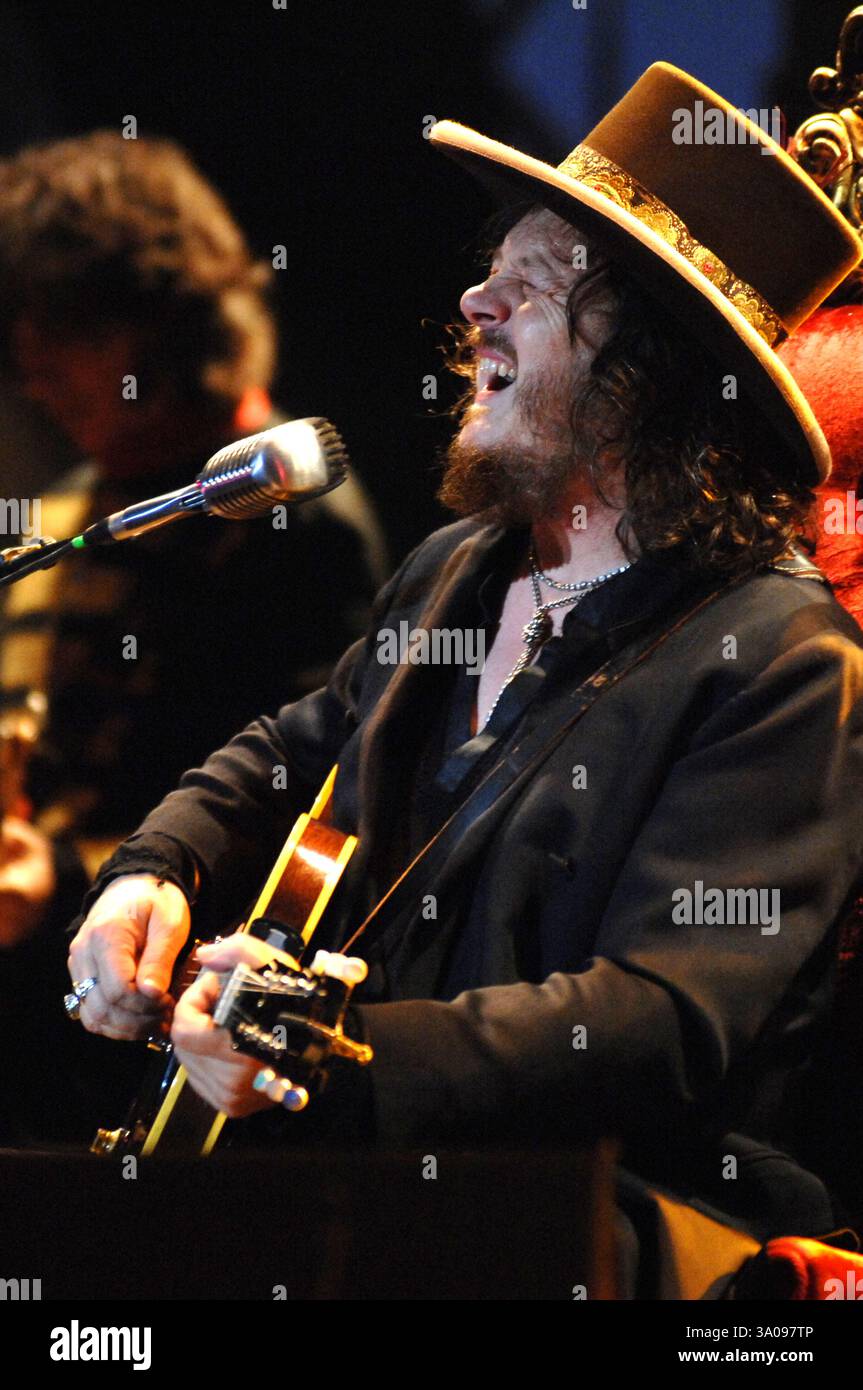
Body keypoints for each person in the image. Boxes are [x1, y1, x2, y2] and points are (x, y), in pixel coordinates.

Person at [67, 63, 863, 1283]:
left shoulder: (785, 664)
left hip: (597, 1224)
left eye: (532, 286)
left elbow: (660, 1016)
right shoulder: (460, 571)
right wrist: (153, 869)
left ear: (644, 370)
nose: (474, 300)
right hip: (361, 1192)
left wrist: (337, 1056)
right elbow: (293, 746)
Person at [0, 130, 386, 1142]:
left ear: (159, 328)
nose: (29, 358)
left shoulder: (290, 524)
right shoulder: (81, 502)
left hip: (154, 1038)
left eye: (62, 325)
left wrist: (58, 879)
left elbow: (301, 826)